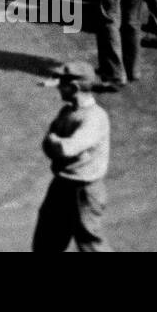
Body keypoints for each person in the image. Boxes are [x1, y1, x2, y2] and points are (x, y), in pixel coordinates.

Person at [33, 61, 111, 252]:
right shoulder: (68, 111)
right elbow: (51, 145)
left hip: (84, 191)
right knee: (47, 239)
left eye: (62, 84)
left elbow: (66, 148)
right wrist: (53, 141)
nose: (58, 87)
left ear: (74, 88)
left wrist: (53, 139)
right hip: (62, 184)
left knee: (90, 242)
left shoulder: (94, 118)